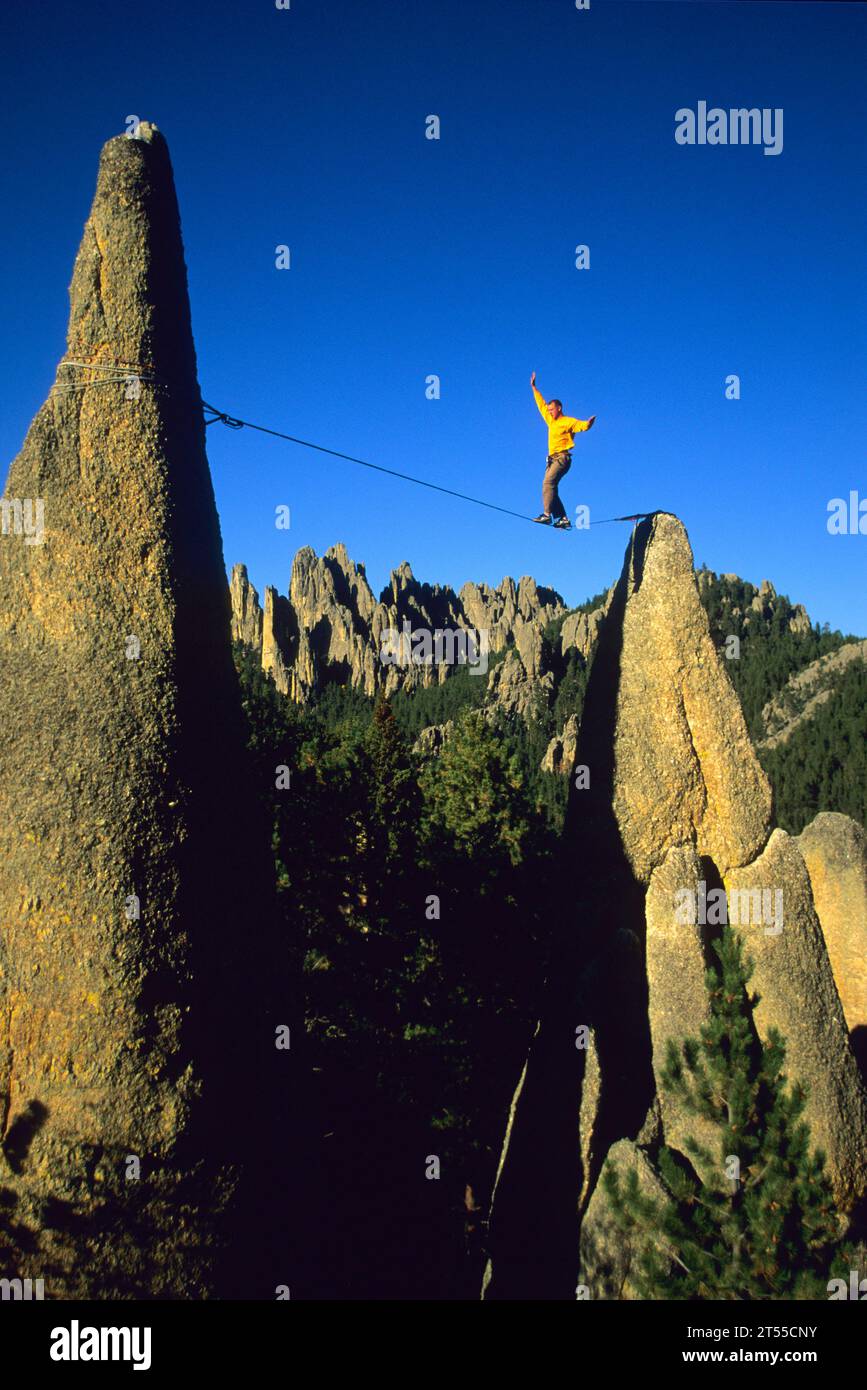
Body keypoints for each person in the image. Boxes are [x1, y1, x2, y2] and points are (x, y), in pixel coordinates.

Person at [530, 371, 595, 528]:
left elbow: (581, 426)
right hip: (552, 460)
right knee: (551, 488)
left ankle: (547, 515)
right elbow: (541, 404)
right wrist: (533, 387)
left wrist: (588, 424)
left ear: (559, 408)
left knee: (547, 483)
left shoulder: (567, 421)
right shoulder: (551, 421)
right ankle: (563, 518)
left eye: (552, 409)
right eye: (549, 410)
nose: (550, 412)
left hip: (562, 459)